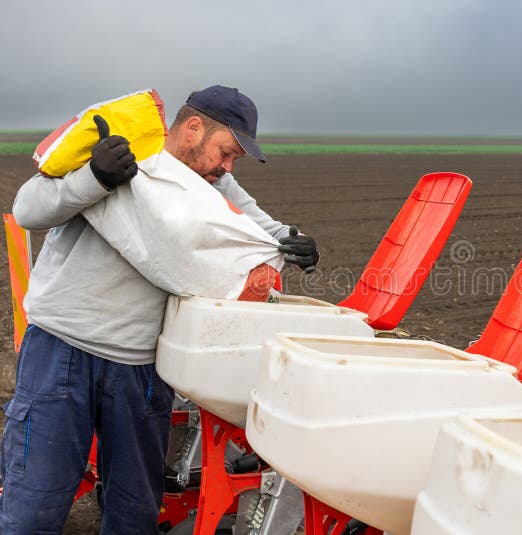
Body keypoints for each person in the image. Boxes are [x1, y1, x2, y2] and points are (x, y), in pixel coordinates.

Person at [0, 85, 318, 534]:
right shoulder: (117, 150)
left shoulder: (214, 184)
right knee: (33, 508)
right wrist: (94, 177)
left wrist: (295, 240)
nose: (227, 167)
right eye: (226, 152)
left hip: (142, 368)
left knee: (134, 515)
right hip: (62, 353)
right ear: (192, 129)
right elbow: (28, 209)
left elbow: (259, 228)